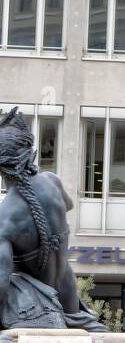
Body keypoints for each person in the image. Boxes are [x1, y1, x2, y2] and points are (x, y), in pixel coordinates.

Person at [0, 109, 105, 331]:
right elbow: (68, 205)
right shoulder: (52, 181)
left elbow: (2, 278)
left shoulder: (6, 216)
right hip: (67, 296)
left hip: (36, 304)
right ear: (30, 153)